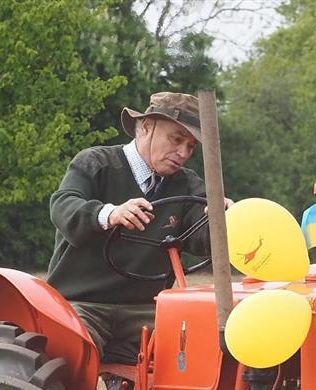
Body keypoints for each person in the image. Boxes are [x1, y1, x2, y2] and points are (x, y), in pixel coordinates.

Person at [47, 91, 213, 364]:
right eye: (176, 139)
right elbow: (63, 206)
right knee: (71, 353)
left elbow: (202, 236)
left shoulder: (187, 184)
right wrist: (109, 213)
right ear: (146, 126)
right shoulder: (95, 163)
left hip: (146, 310)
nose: (183, 153)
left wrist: (224, 220)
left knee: (201, 346)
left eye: (191, 146)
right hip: (81, 304)